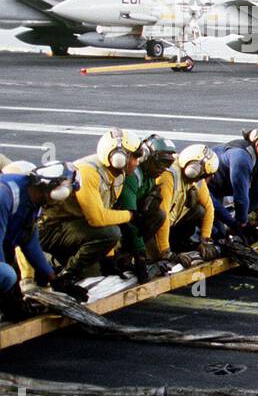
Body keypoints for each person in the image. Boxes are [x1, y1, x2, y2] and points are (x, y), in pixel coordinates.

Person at [39, 128, 146, 282]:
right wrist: (131, 215)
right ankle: (65, 273)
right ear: (119, 158)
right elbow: (97, 219)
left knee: (95, 274)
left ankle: (65, 265)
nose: (137, 163)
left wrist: (108, 258)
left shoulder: (117, 174)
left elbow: (106, 212)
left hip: (73, 226)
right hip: (51, 229)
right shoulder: (88, 172)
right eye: (134, 157)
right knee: (112, 232)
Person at [1, 161, 81, 318]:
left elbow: (30, 242)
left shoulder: (32, 201)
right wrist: (8, 292)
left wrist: (54, 279)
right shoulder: (5, 196)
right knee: (7, 275)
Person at [210, 124, 258, 242]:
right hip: (209, 186)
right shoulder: (241, 157)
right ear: (257, 140)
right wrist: (241, 224)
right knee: (218, 233)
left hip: (224, 185)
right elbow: (240, 197)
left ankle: (235, 219)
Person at [115, 135, 176, 281]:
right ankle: (118, 256)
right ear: (146, 157)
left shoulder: (150, 177)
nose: (163, 169)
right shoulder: (133, 177)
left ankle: (127, 256)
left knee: (158, 214)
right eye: (160, 163)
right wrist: (140, 254)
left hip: (129, 222)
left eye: (167, 164)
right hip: (115, 222)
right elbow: (129, 217)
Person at [154, 144, 219, 263]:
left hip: (172, 223)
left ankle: (179, 243)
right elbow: (163, 215)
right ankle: (163, 248)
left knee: (200, 210)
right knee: (161, 216)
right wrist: (166, 251)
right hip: (156, 226)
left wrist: (205, 239)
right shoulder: (168, 176)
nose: (206, 179)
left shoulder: (197, 179)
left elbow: (209, 207)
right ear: (193, 171)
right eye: (204, 176)